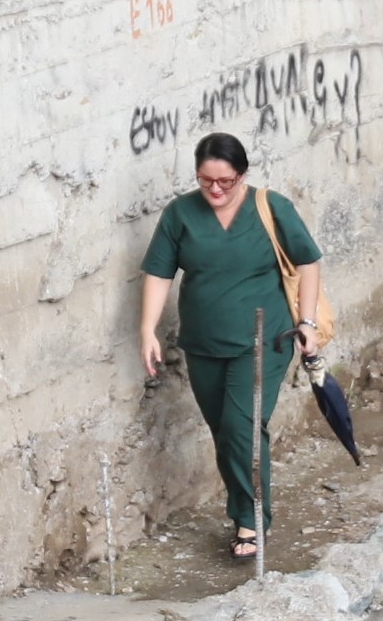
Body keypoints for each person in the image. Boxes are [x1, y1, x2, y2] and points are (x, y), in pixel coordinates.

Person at [137, 133, 326, 558]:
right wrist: (147, 329)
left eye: (226, 181)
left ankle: (250, 519)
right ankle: (246, 508)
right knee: (223, 430)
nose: (216, 190)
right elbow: (158, 273)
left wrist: (307, 321)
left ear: (242, 174)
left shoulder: (271, 207)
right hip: (203, 342)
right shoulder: (180, 214)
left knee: (242, 428)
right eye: (206, 181)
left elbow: (308, 262)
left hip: (263, 341)